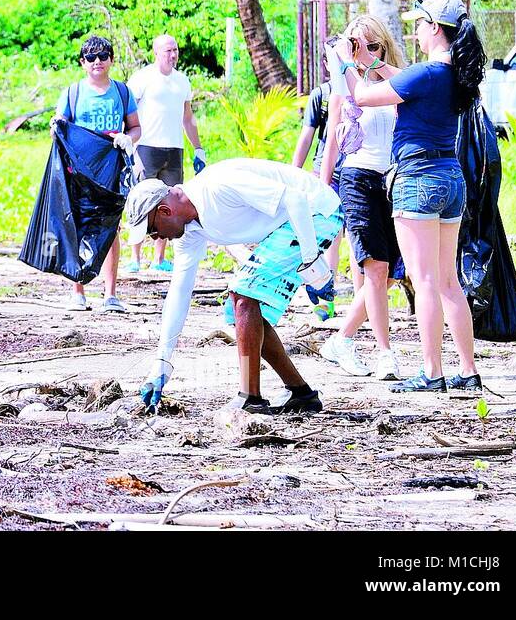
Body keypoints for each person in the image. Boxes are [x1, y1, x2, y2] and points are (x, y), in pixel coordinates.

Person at [328, 0, 487, 393]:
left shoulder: (427, 73)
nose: (414, 30)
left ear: (435, 28)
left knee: (425, 279)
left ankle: (432, 372)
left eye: (419, 23)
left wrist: (345, 61)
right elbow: (403, 80)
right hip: (450, 178)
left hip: (418, 178)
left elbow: (361, 96)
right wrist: (373, 62)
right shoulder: (454, 75)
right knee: (449, 280)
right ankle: (468, 373)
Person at [128, 158, 343, 414]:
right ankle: (301, 393)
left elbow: (295, 199)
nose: (155, 239)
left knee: (242, 293)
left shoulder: (217, 186)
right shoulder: (190, 231)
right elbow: (179, 292)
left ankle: (250, 397)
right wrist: (161, 363)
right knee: (239, 310)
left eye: (152, 230)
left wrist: (311, 260)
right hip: (292, 223)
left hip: (317, 212)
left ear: (164, 211)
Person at [319, 15, 404, 380]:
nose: (364, 52)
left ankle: (342, 338)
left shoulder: (394, 79)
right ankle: (385, 353)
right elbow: (332, 141)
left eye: (373, 45)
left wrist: (372, 63)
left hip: (390, 181)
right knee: (376, 268)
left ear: (384, 47)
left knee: (388, 275)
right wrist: (323, 191)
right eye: (357, 44)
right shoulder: (345, 85)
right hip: (357, 178)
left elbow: (405, 90)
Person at [54, 35, 140, 313]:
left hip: (111, 169)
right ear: (83, 63)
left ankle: (110, 294)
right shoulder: (72, 92)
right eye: (91, 58)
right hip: (78, 171)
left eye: (103, 56)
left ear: (111, 60)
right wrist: (55, 127)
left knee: (111, 228)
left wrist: (129, 138)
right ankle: (78, 291)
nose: (97, 62)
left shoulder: (122, 92)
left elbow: (136, 127)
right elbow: (60, 126)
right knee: (77, 225)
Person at [126, 34, 205, 273]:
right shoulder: (142, 79)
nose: (173, 55)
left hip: (174, 148)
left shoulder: (182, 81)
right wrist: (128, 143)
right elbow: (128, 113)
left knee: (167, 203)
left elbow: (188, 119)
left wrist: (198, 148)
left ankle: (159, 258)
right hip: (147, 147)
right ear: (156, 53)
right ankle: (135, 258)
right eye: (168, 51)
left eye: (176, 50)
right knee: (142, 200)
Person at [291, 71, 345, 281]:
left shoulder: (362, 90)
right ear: (326, 64)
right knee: (330, 233)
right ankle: (325, 285)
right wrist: (294, 172)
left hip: (354, 170)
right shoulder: (321, 95)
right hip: (324, 171)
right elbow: (307, 136)